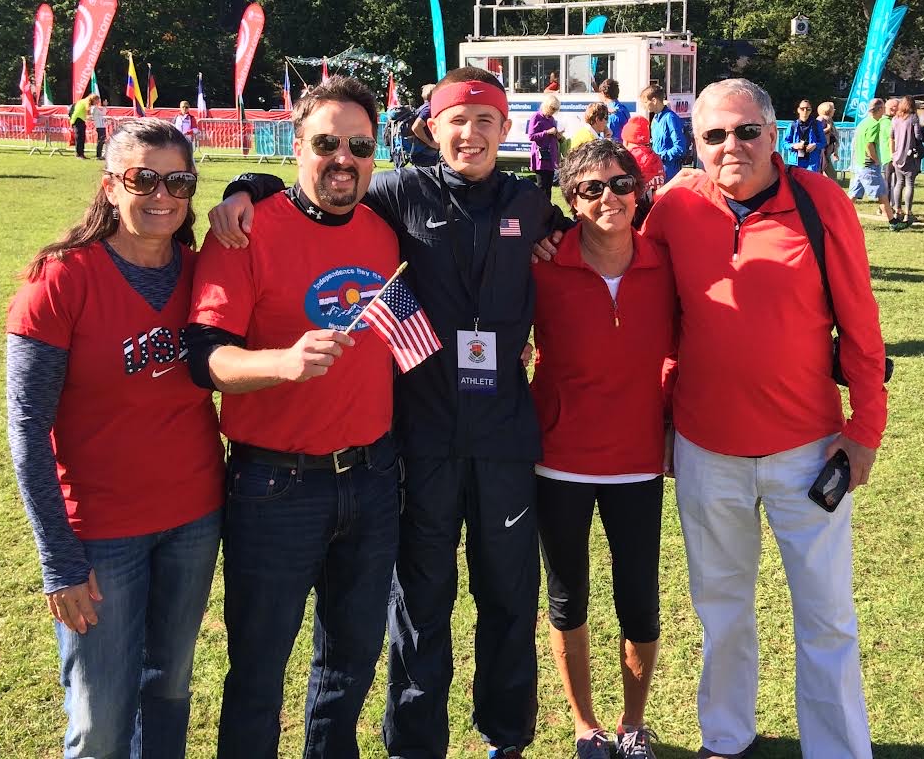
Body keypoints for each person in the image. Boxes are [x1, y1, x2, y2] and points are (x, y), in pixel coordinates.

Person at [209, 66, 567, 759]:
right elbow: (314, 188)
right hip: (422, 439)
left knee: (508, 597)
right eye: (456, 121)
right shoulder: (395, 193)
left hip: (502, 440)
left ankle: (506, 736)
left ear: (505, 128)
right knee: (421, 605)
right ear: (431, 129)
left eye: (486, 120)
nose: (471, 133)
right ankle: (414, 745)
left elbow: (593, 229)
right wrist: (241, 188)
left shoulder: (531, 203)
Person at [642, 78, 887, 759]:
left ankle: (837, 749)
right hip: (703, 447)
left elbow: (861, 327)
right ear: (693, 143)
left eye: (745, 131)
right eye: (714, 135)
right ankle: (726, 736)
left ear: (773, 135)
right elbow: (660, 324)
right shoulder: (673, 207)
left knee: (826, 616)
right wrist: (663, 420)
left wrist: (864, 429)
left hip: (806, 450)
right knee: (720, 612)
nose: (731, 146)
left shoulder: (819, 202)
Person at [186, 79, 402, 758]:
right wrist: (280, 363)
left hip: (371, 482)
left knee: (350, 664)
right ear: (296, 144)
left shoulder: (384, 230)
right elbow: (206, 359)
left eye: (360, 146)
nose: (344, 159)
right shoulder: (245, 230)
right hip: (275, 490)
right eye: (326, 144)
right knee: (257, 670)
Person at [5, 119, 225, 759]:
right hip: (100, 532)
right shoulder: (61, 279)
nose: (163, 194)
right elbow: (26, 428)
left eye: (178, 180)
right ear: (109, 186)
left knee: (169, 690)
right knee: (100, 717)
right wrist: (58, 559)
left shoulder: (201, 271)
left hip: (194, 517)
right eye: (142, 179)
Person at [530, 138, 676, 759]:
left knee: (638, 599)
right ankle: (587, 726)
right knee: (567, 596)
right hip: (558, 456)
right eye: (592, 188)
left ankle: (632, 724)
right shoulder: (539, 264)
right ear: (572, 200)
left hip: (639, 458)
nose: (610, 196)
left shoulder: (667, 263)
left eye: (620, 183)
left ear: (638, 189)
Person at [849, 98, 899, 229]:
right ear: (880, 109)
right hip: (868, 165)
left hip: (859, 163)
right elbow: (869, 144)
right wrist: (876, 159)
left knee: (853, 195)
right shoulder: (874, 124)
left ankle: (835, 218)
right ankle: (893, 222)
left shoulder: (863, 123)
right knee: (882, 193)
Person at [889, 97, 924, 226]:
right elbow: (918, 136)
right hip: (910, 155)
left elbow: (891, 137)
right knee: (909, 183)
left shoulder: (895, 119)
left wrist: (892, 154)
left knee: (899, 183)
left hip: (897, 155)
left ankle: (897, 211)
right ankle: (907, 213)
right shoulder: (913, 117)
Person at [642, 85, 689, 183]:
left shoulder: (670, 118)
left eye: (645, 102)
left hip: (669, 172)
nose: (644, 106)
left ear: (654, 101)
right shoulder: (655, 119)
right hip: (656, 171)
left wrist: (661, 156)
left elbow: (680, 148)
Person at [528, 93, 563, 196]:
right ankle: (539, 209)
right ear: (547, 106)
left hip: (551, 157)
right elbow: (531, 136)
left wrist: (558, 135)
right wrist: (547, 132)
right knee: (541, 187)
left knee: (548, 188)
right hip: (541, 157)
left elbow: (553, 135)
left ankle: (547, 210)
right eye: (552, 108)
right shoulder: (536, 117)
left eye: (555, 110)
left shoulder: (552, 119)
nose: (553, 112)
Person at [621, 117, 666, 194]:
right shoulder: (656, 158)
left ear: (626, 141)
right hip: (659, 204)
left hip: (639, 204)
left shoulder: (628, 160)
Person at [786, 100, 827, 172]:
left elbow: (823, 142)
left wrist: (815, 145)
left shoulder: (817, 124)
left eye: (808, 109)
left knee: (810, 182)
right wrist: (794, 145)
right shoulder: (792, 125)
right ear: (798, 110)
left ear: (811, 111)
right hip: (796, 162)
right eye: (802, 109)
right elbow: (784, 144)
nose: (805, 111)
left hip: (812, 163)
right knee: (795, 182)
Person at [409, 82, 441, 166]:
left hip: (420, 150)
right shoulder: (428, 109)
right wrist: (429, 142)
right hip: (426, 151)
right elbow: (416, 127)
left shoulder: (422, 108)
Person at [816, 101, 840, 181]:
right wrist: (828, 129)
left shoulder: (829, 119)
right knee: (830, 174)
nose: (834, 110)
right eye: (833, 109)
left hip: (827, 150)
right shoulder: (821, 119)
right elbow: (817, 132)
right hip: (822, 150)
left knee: (830, 173)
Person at [879, 97, 897, 199]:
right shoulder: (887, 122)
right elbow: (892, 138)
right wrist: (892, 154)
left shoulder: (885, 120)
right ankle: (886, 206)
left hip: (888, 154)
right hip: (889, 155)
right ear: (892, 108)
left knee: (890, 182)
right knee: (889, 182)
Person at [69, 95, 94, 160]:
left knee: (82, 138)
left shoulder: (84, 102)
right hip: (77, 120)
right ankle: (78, 154)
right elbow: (76, 113)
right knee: (79, 138)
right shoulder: (84, 102)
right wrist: (72, 122)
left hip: (81, 121)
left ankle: (81, 154)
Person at [90, 93, 108, 159]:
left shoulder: (95, 108)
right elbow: (102, 113)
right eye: (97, 99)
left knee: (102, 140)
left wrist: (104, 106)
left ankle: (99, 154)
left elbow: (103, 113)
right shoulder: (93, 108)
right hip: (99, 126)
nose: (99, 101)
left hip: (101, 125)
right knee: (101, 140)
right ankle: (98, 155)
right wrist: (104, 106)